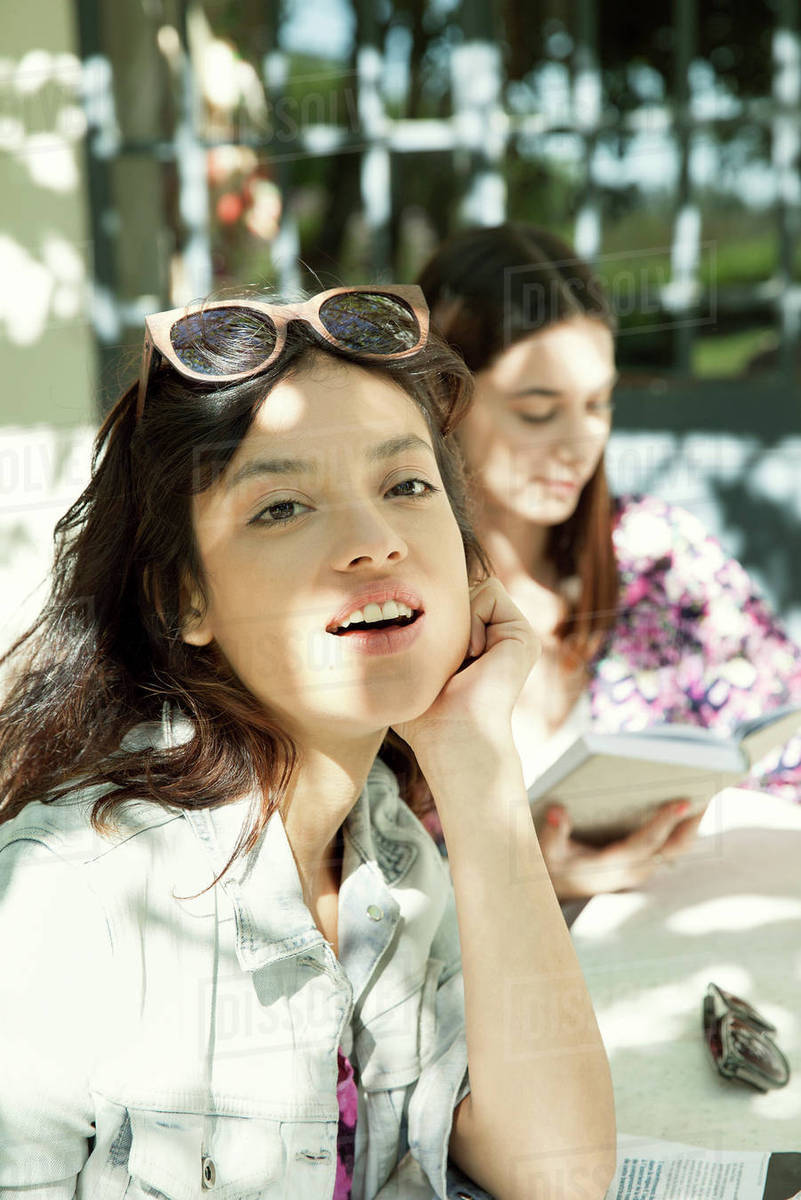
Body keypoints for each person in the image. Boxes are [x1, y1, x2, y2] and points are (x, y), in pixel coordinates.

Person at [0, 287, 615, 1200]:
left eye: (407, 486)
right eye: (283, 507)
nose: (374, 544)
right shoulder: (71, 899)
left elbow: (559, 1177)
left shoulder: (394, 854)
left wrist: (476, 763)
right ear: (183, 600)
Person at [417, 224, 801, 901]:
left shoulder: (655, 554)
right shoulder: (391, 598)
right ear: (442, 404)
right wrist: (518, 884)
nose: (578, 443)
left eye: (597, 405)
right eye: (537, 411)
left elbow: (785, 747)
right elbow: (350, 884)